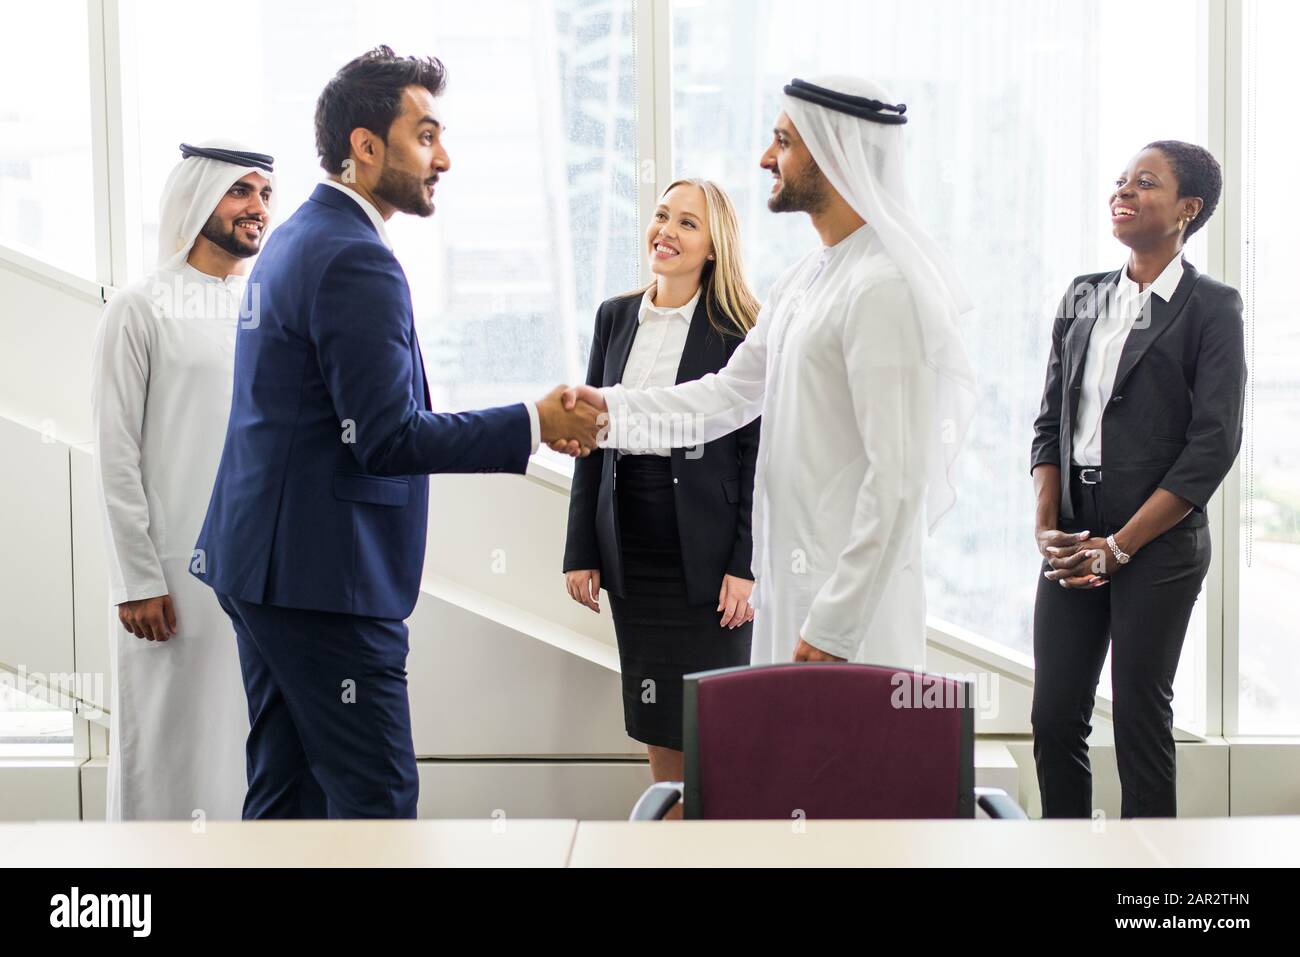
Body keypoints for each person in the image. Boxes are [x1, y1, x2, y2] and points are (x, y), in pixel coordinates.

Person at [191, 47, 601, 820]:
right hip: (321, 583)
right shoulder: (352, 256)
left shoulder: (298, 236)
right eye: (426, 136)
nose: (442, 157)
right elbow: (384, 438)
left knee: (288, 796)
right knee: (378, 800)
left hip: (262, 568)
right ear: (366, 146)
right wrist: (533, 422)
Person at [562, 77, 976, 671]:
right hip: (791, 596)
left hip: (847, 620)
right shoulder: (805, 279)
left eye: (782, 142)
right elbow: (724, 397)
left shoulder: (882, 287)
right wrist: (605, 412)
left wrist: (838, 622)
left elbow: (900, 479)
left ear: (835, 155)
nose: (765, 159)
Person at [1030, 141, 1244, 818]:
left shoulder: (1212, 307)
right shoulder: (1082, 295)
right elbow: (1049, 424)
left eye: (1144, 183)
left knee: (1139, 725)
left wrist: (1120, 545)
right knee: (1054, 716)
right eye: (1120, 181)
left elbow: (1211, 447)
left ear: (1189, 209)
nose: (1122, 191)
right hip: (1073, 534)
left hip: (1157, 540)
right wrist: (1048, 528)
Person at [91, 140, 276, 820]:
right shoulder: (139, 307)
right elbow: (114, 452)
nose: (256, 207)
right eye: (241, 191)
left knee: (241, 750)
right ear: (198, 198)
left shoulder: (257, 307)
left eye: (264, 195)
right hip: (168, 581)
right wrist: (136, 578)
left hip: (250, 576)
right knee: (167, 748)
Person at [563, 178, 760, 794]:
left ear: (713, 247)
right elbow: (590, 440)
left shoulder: (740, 329)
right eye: (661, 216)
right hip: (632, 548)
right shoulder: (615, 316)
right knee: (659, 723)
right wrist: (581, 551)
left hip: (708, 557)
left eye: (687, 224)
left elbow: (756, 458)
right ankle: (672, 848)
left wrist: (745, 564)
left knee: (717, 727)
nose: (667, 232)